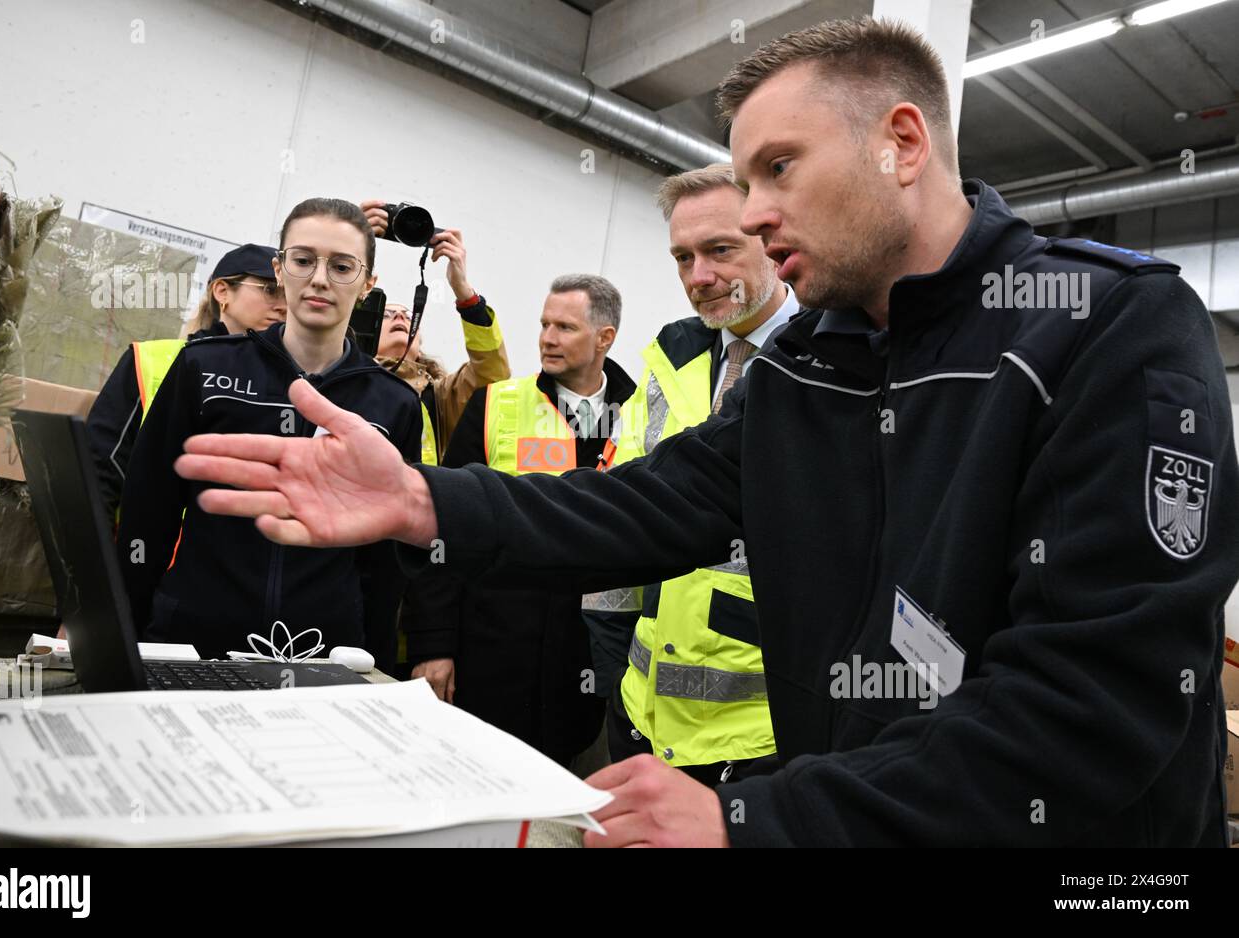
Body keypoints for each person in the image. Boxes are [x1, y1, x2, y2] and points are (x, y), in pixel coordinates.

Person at [175, 17, 1239, 847]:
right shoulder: (805, 365)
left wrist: (758, 820)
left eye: (777, 167)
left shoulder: (1105, 327)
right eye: (742, 178)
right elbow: (643, 502)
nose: (755, 210)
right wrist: (422, 499)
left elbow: (1091, 706)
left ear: (901, 145)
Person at [119, 197, 421, 664]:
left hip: (326, 653)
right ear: (280, 270)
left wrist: (373, 662)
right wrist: (126, 636)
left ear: (367, 285)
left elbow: (385, 561)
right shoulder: (205, 367)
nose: (319, 278)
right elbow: (147, 512)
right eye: (303, 260)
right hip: (192, 640)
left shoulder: (393, 403)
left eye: (342, 266)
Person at [584, 162, 795, 785]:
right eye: (682, 257)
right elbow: (624, 507)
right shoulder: (671, 354)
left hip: (761, 731)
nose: (699, 277)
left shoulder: (836, 359)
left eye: (720, 250)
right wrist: (610, 653)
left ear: (772, 237)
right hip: (642, 710)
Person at [408, 274, 635, 768]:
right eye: (544, 324)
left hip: (586, 662)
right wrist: (434, 644)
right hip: (489, 648)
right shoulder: (496, 404)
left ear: (605, 338)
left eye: (565, 327)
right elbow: (442, 530)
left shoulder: (637, 416)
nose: (547, 339)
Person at [86, 244, 286, 518]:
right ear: (222, 291)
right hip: (144, 551)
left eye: (291, 295)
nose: (283, 306)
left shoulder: (291, 384)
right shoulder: (149, 358)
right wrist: (100, 555)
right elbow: (101, 468)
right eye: (270, 290)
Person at [360, 201, 511, 463]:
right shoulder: (342, 370)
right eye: (386, 313)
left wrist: (465, 294)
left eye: (409, 316)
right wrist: (351, 242)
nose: (399, 317)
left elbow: (492, 374)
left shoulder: (439, 395)